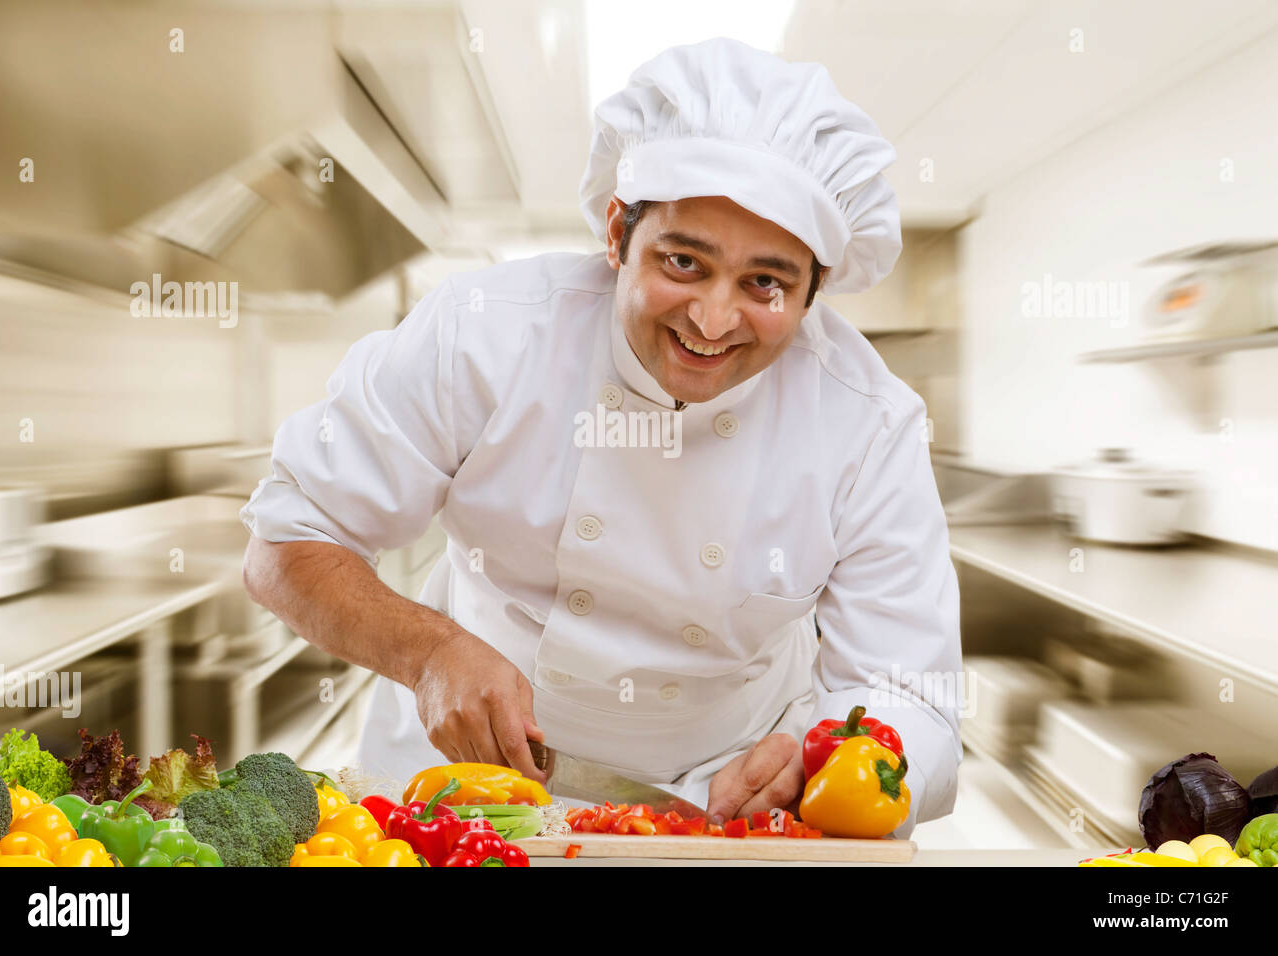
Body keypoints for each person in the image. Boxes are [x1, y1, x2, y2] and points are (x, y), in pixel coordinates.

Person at [240, 37, 962, 838]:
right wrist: (431, 652)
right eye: (683, 262)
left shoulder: (868, 423)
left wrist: (821, 763)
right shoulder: (486, 334)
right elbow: (289, 541)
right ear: (618, 234)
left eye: (766, 282)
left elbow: (909, 694)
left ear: (813, 292)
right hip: (464, 783)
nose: (714, 320)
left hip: (727, 800)